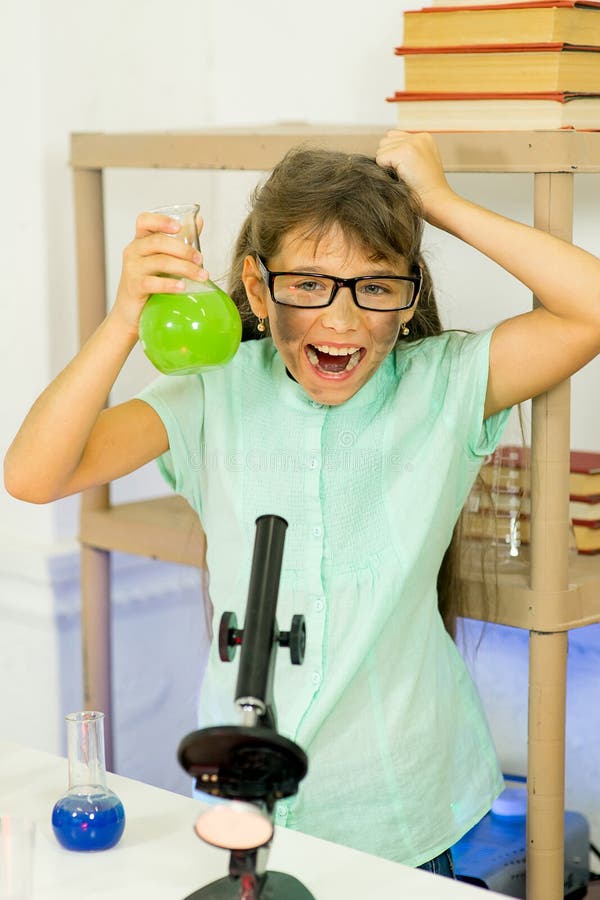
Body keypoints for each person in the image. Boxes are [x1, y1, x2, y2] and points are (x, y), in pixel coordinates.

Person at [5, 131, 600, 876]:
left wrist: (441, 205)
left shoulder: (441, 385)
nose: (342, 322)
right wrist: (126, 318)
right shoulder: (210, 391)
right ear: (258, 289)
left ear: (406, 297)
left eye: (376, 287)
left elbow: (591, 307)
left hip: (402, 804)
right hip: (244, 803)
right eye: (309, 285)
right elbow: (31, 475)